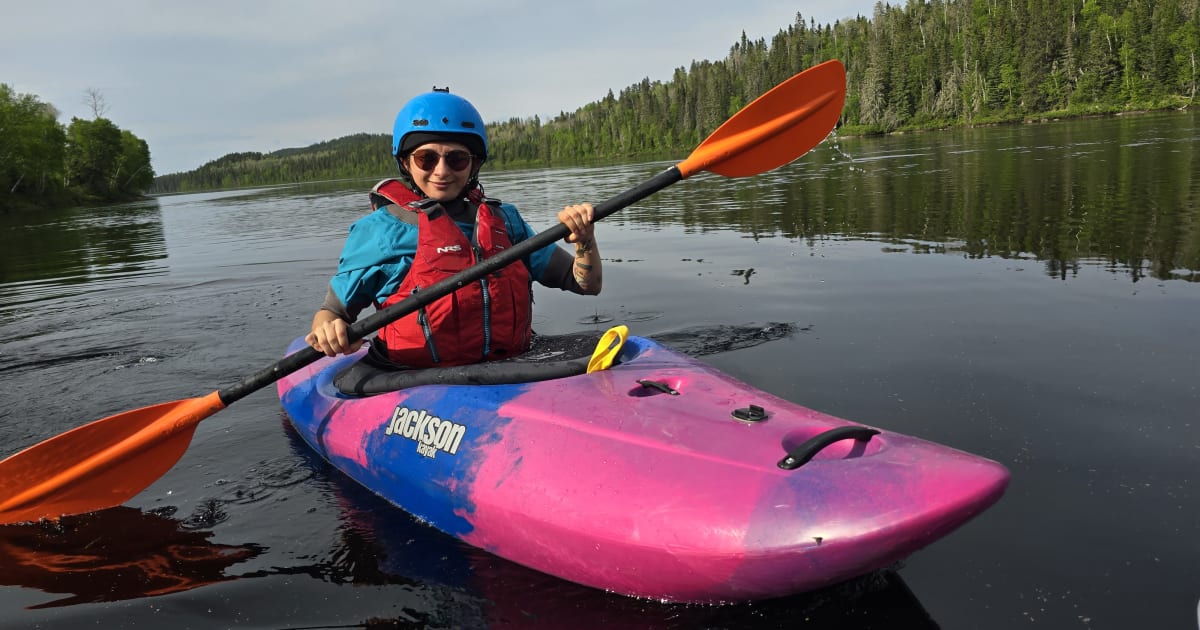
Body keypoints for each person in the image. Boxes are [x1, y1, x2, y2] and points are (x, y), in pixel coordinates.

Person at [307, 88, 602, 371]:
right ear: (406, 162)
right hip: (412, 380)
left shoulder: (507, 222)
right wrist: (330, 331)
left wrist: (585, 242)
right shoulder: (380, 231)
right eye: (427, 158)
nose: (442, 171)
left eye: (457, 159)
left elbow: (586, 285)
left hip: (513, 369)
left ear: (473, 164)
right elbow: (332, 314)